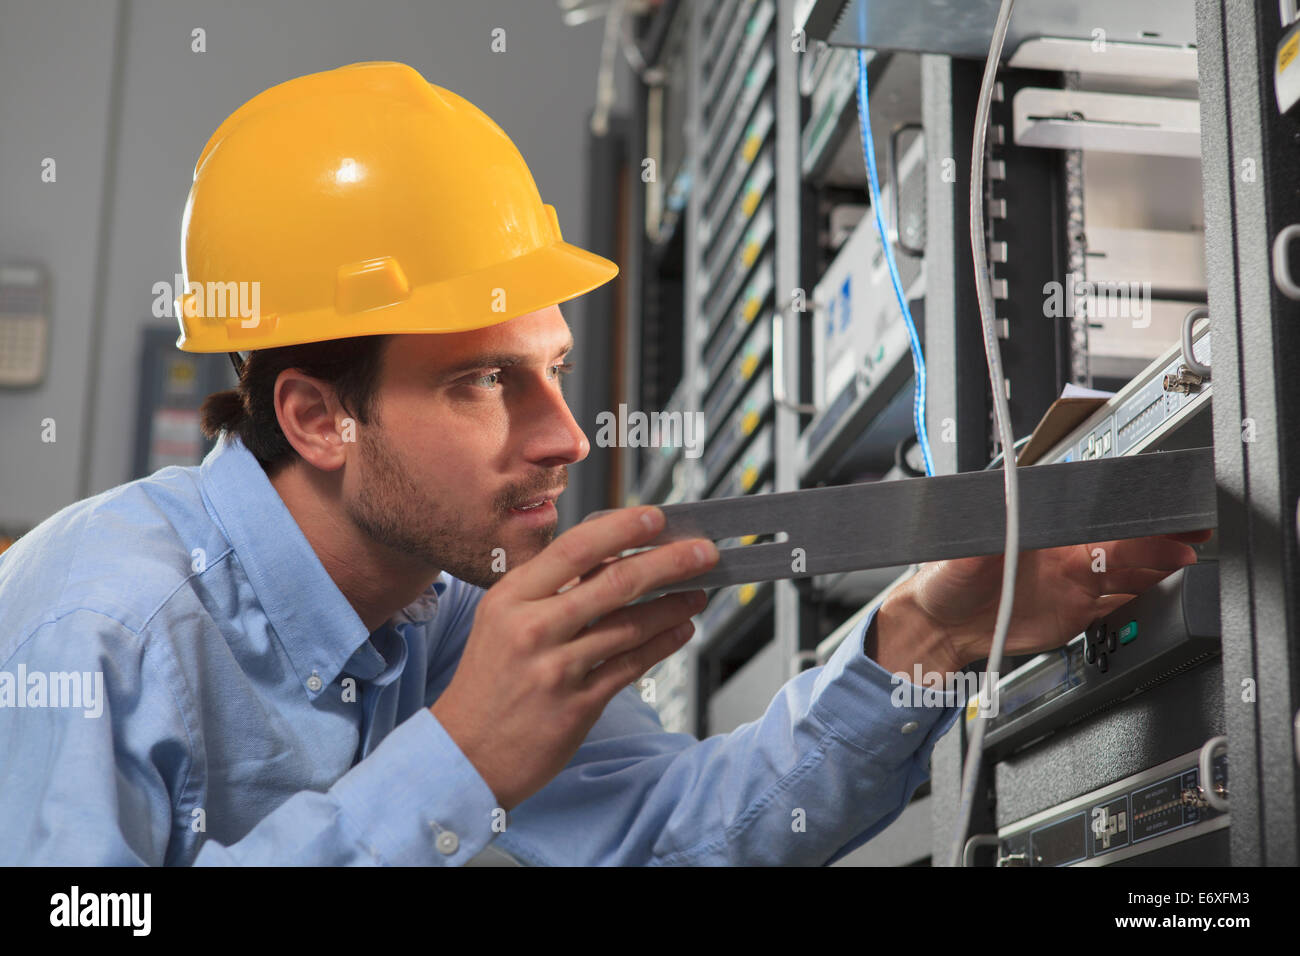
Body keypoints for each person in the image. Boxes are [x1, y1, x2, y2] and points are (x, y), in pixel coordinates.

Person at [0, 62, 1209, 865]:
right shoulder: (99, 621)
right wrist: (460, 756)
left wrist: (928, 635)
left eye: (553, 368)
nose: (567, 436)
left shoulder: (445, 610)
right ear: (320, 417)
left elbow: (678, 832)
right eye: (484, 379)